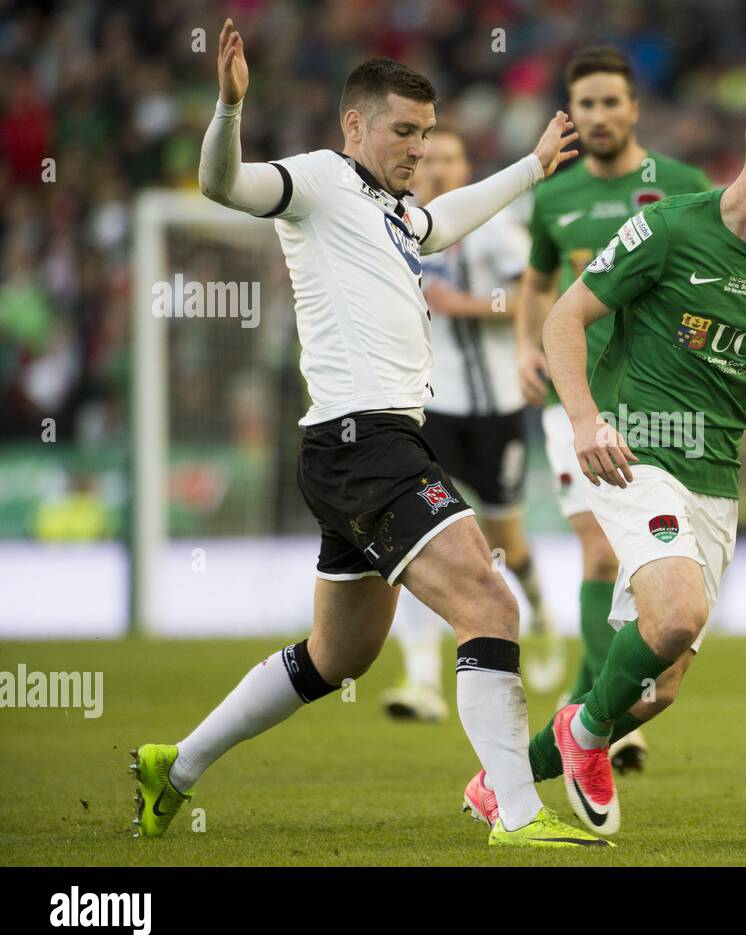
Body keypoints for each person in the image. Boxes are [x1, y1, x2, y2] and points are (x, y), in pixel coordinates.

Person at [132, 20, 609, 849]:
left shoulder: (391, 212)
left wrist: (532, 166)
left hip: (361, 444)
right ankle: (518, 814)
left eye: (425, 133)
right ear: (354, 125)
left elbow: (443, 223)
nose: (418, 149)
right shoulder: (318, 180)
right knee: (491, 603)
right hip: (364, 444)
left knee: (336, 657)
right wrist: (228, 107)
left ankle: (171, 768)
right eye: (403, 131)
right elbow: (222, 186)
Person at [463, 92, 746, 836]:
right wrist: (583, 419)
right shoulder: (668, 228)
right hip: (631, 455)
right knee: (676, 616)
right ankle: (585, 741)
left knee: (659, 687)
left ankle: (506, 779)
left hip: (714, 479)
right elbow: (562, 316)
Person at [516, 46, 713, 774]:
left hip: (653, 399)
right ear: (570, 115)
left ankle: (588, 708)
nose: (598, 117)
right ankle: (600, 715)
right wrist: (523, 349)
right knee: (600, 550)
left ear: (633, 108)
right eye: (584, 105)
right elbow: (535, 287)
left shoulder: (683, 186)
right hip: (578, 399)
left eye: (610, 102)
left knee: (641, 567)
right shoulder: (552, 198)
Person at [380, 129, 556, 723]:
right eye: (430, 158)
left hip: (496, 410)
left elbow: (533, 295)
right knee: (422, 541)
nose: (438, 168)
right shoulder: (392, 226)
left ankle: (542, 614)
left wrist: (478, 305)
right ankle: (422, 680)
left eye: (452, 158)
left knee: (509, 539)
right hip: (429, 412)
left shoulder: (491, 225)